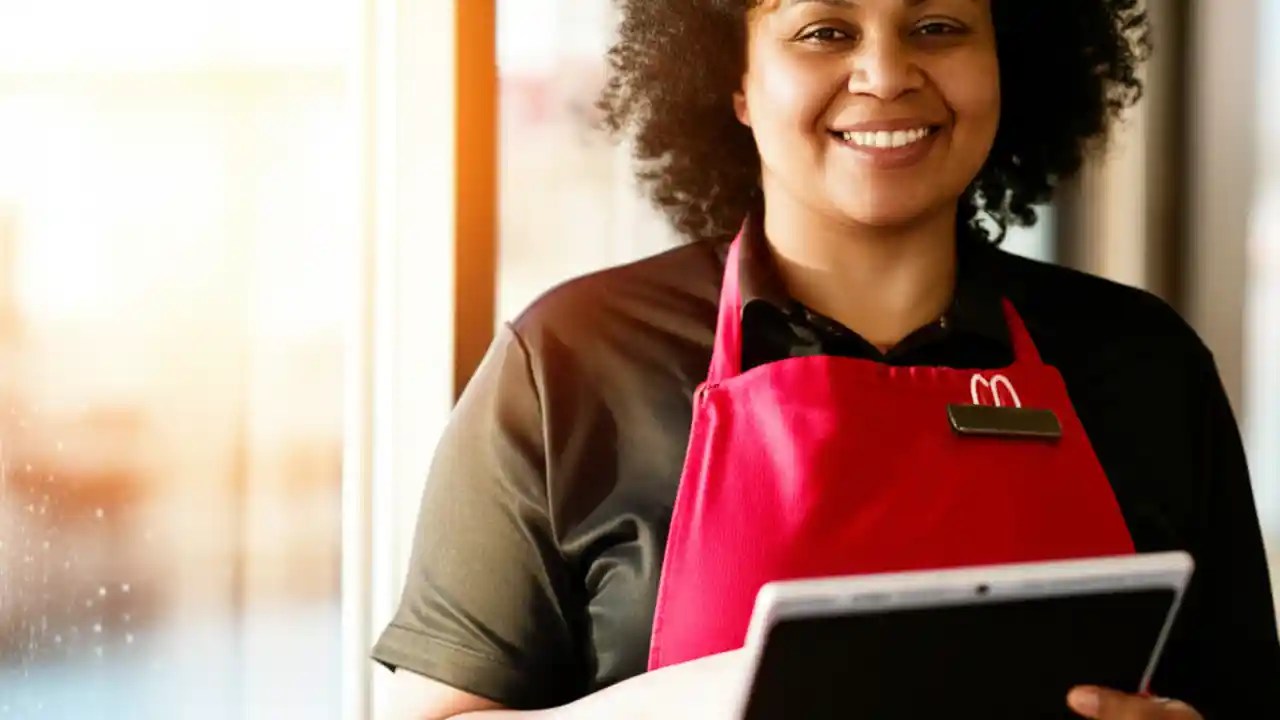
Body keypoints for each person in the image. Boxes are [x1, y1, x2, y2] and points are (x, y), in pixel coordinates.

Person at [374, 0, 1280, 718]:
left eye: (938, 27)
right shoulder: (571, 363)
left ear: (1010, 61)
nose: (886, 74)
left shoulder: (1145, 363)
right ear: (733, 78)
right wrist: (694, 704)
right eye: (824, 30)